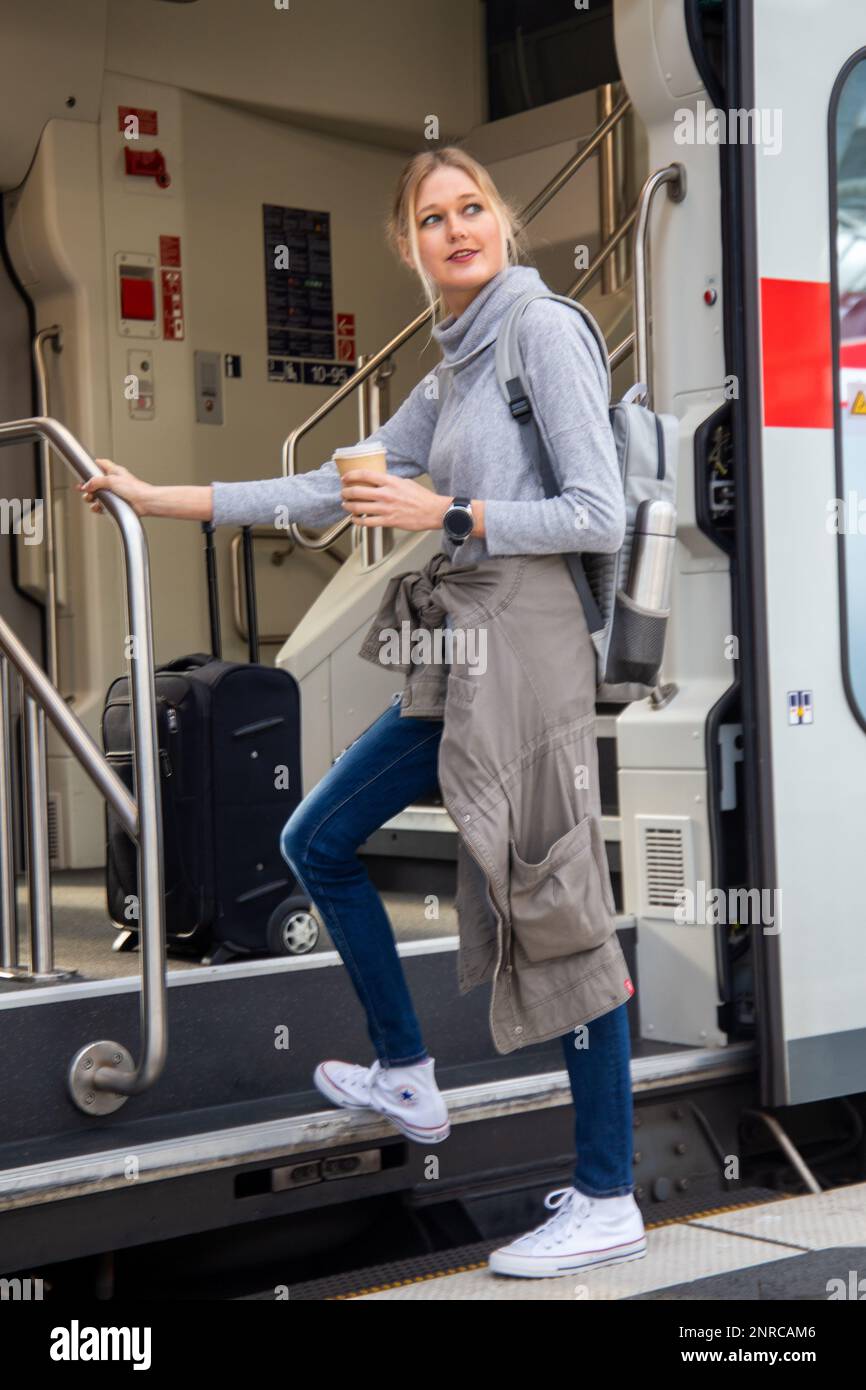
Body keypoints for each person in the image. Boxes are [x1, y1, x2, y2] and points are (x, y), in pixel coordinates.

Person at [79, 146, 646, 1280]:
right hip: (456, 654)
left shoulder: (541, 331)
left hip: (525, 650)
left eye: (471, 207)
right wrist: (157, 495)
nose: (454, 229)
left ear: (503, 223)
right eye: (431, 218)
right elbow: (316, 489)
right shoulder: (448, 370)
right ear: (406, 246)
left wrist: (454, 511)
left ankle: (607, 1191)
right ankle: (408, 1072)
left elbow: (598, 513)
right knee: (317, 836)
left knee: (558, 910)